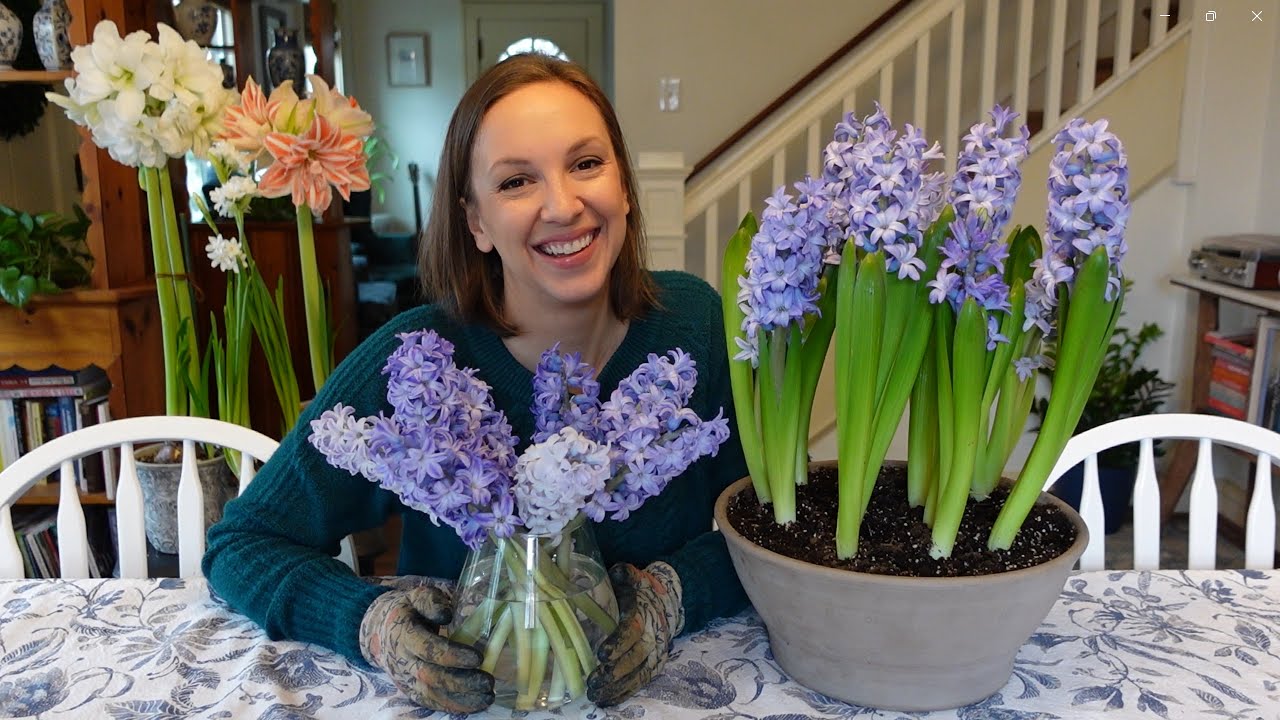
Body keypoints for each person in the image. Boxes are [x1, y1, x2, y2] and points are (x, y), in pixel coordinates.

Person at [203, 53, 749, 713]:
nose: (563, 205)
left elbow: (772, 527)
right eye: (517, 181)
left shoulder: (696, 326)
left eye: (585, 164)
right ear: (477, 222)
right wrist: (371, 624)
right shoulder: (414, 360)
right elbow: (242, 545)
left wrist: (673, 594)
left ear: (625, 188)